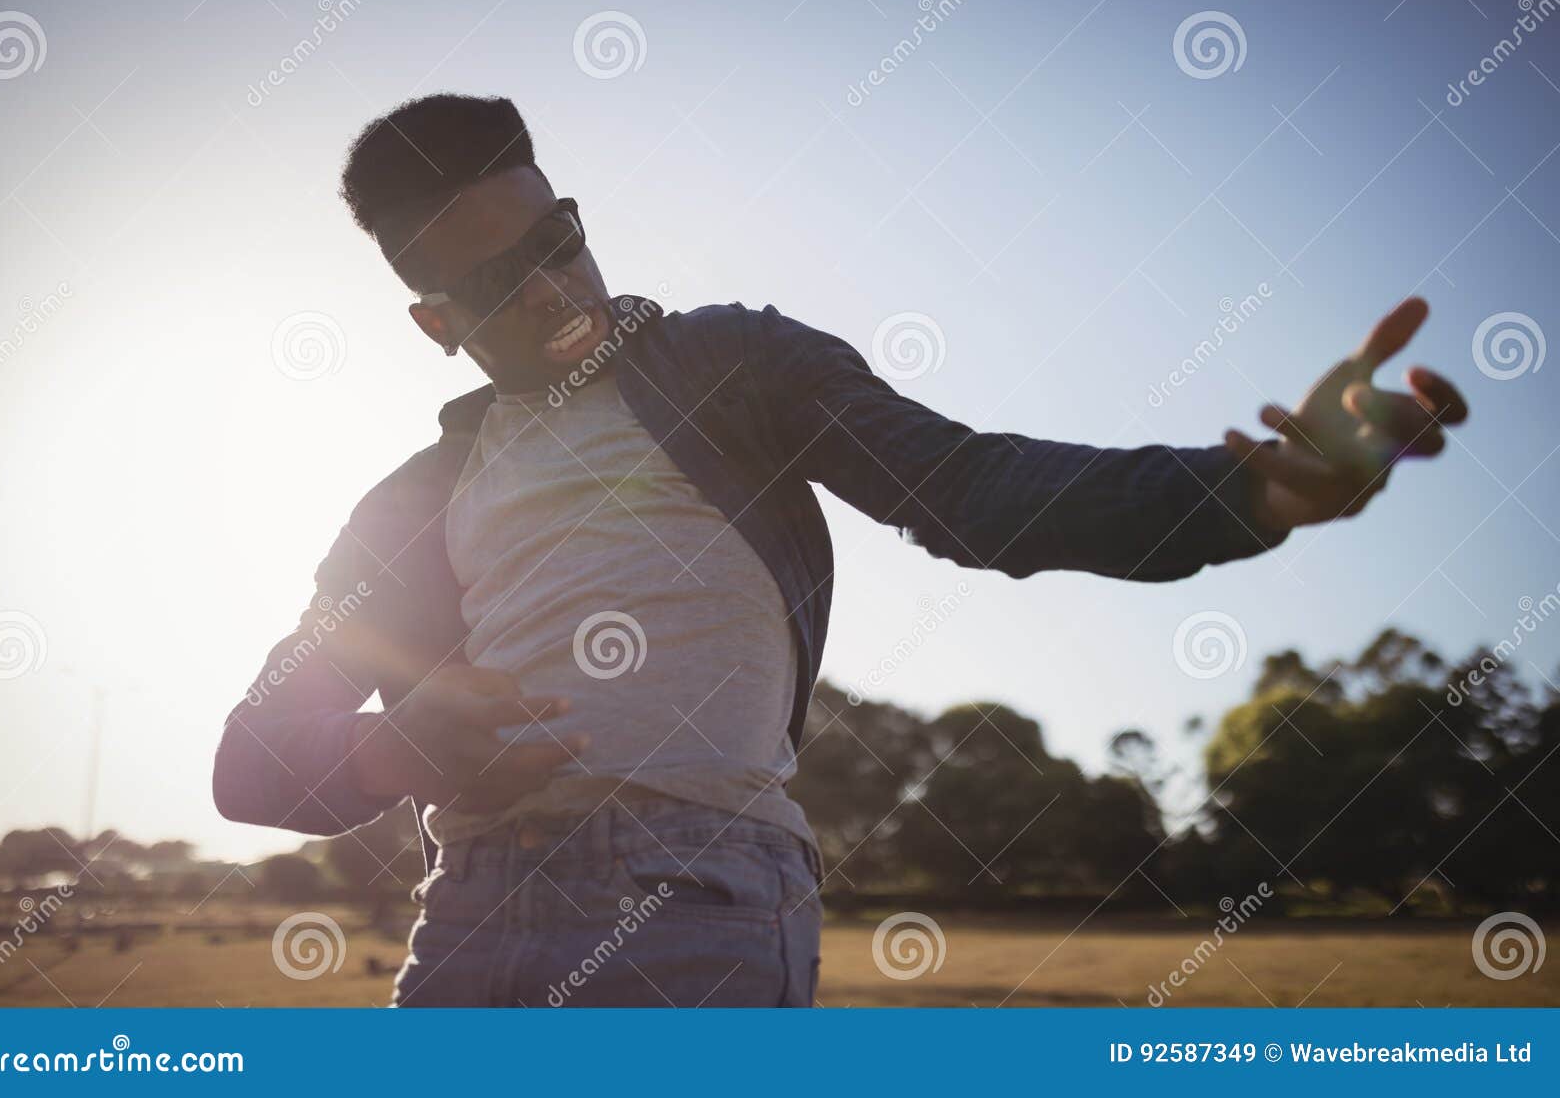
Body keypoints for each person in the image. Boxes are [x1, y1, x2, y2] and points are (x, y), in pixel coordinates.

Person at [212, 93, 1468, 1007]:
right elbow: (255, 758)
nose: (549, 291)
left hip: (688, 899)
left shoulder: (736, 363)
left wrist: (1242, 490)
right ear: (436, 322)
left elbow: (980, 491)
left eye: (557, 241)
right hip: (467, 922)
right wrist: (399, 739)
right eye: (496, 285)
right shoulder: (407, 504)